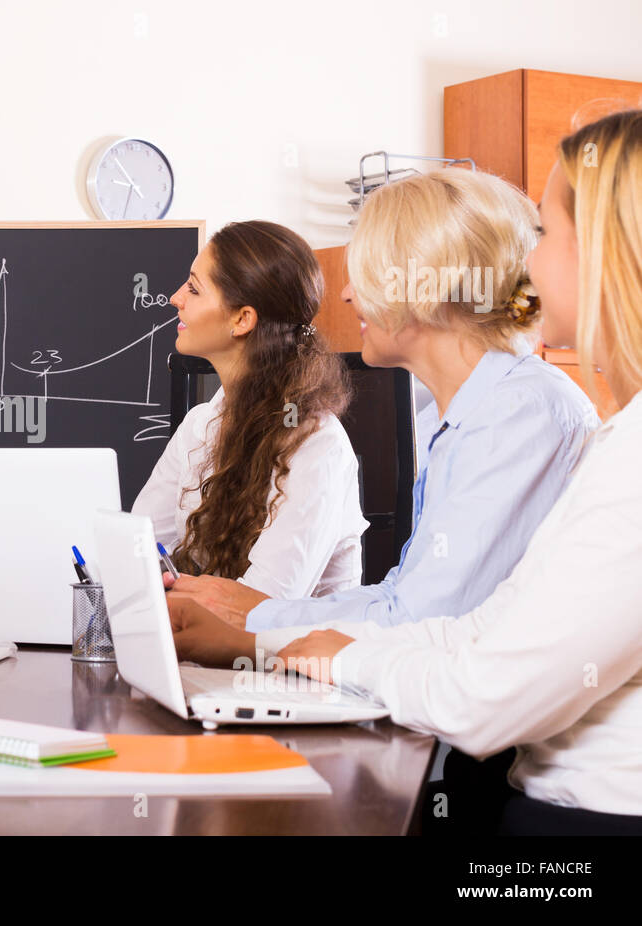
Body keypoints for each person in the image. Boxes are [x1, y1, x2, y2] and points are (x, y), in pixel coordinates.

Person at [169, 109, 642, 832]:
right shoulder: (526, 424)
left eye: (546, 233)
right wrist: (265, 634)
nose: (351, 296)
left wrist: (266, 634)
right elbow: (474, 624)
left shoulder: (543, 418)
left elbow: (461, 659)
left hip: (565, 818)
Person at [169, 168, 598, 631]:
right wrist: (245, 611)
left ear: (428, 287)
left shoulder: (522, 411)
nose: (349, 295)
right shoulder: (452, 417)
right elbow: (404, 599)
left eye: (367, 274)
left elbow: (421, 619)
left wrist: (249, 616)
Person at [132, 220, 366, 598]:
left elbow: (264, 608)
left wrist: (171, 593)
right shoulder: (200, 425)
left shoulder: (318, 444)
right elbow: (138, 550)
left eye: (193, 287)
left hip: (280, 657)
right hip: (200, 651)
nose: (176, 297)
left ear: (242, 319)